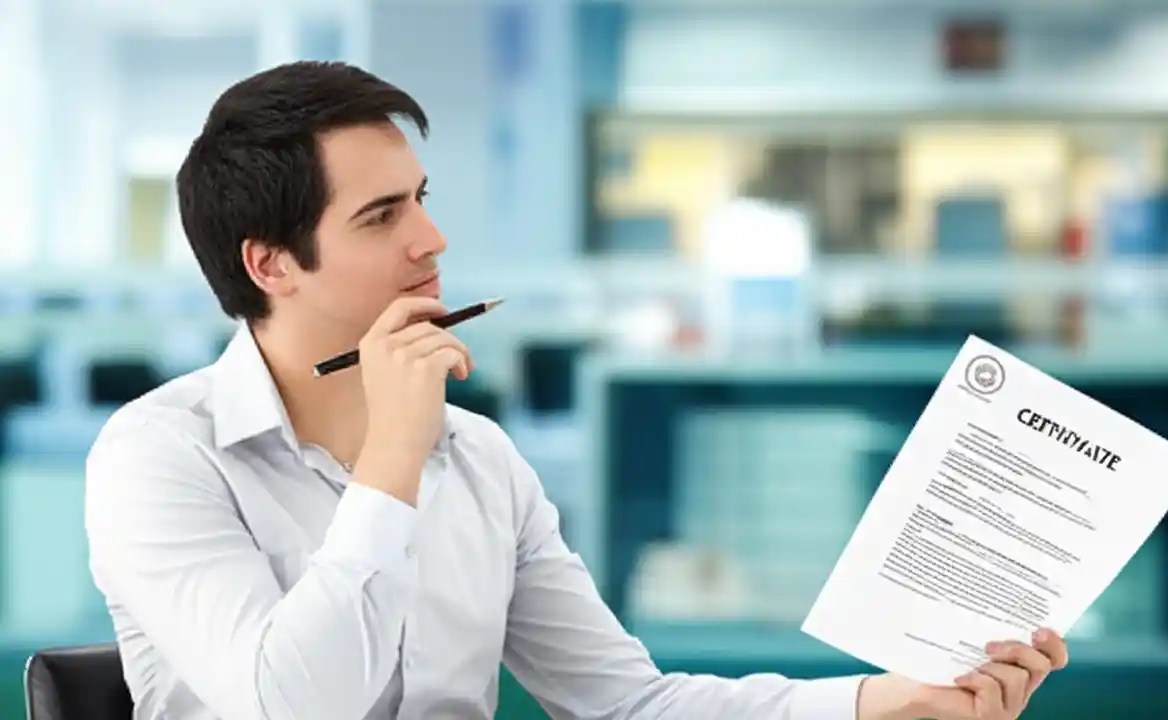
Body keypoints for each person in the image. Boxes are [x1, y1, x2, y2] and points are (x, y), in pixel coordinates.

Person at [84, 61, 1068, 720]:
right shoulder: (159, 456)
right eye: (381, 217)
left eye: (420, 200)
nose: (431, 241)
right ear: (270, 264)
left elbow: (626, 705)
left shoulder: (479, 461)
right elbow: (292, 706)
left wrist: (880, 700)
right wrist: (392, 458)